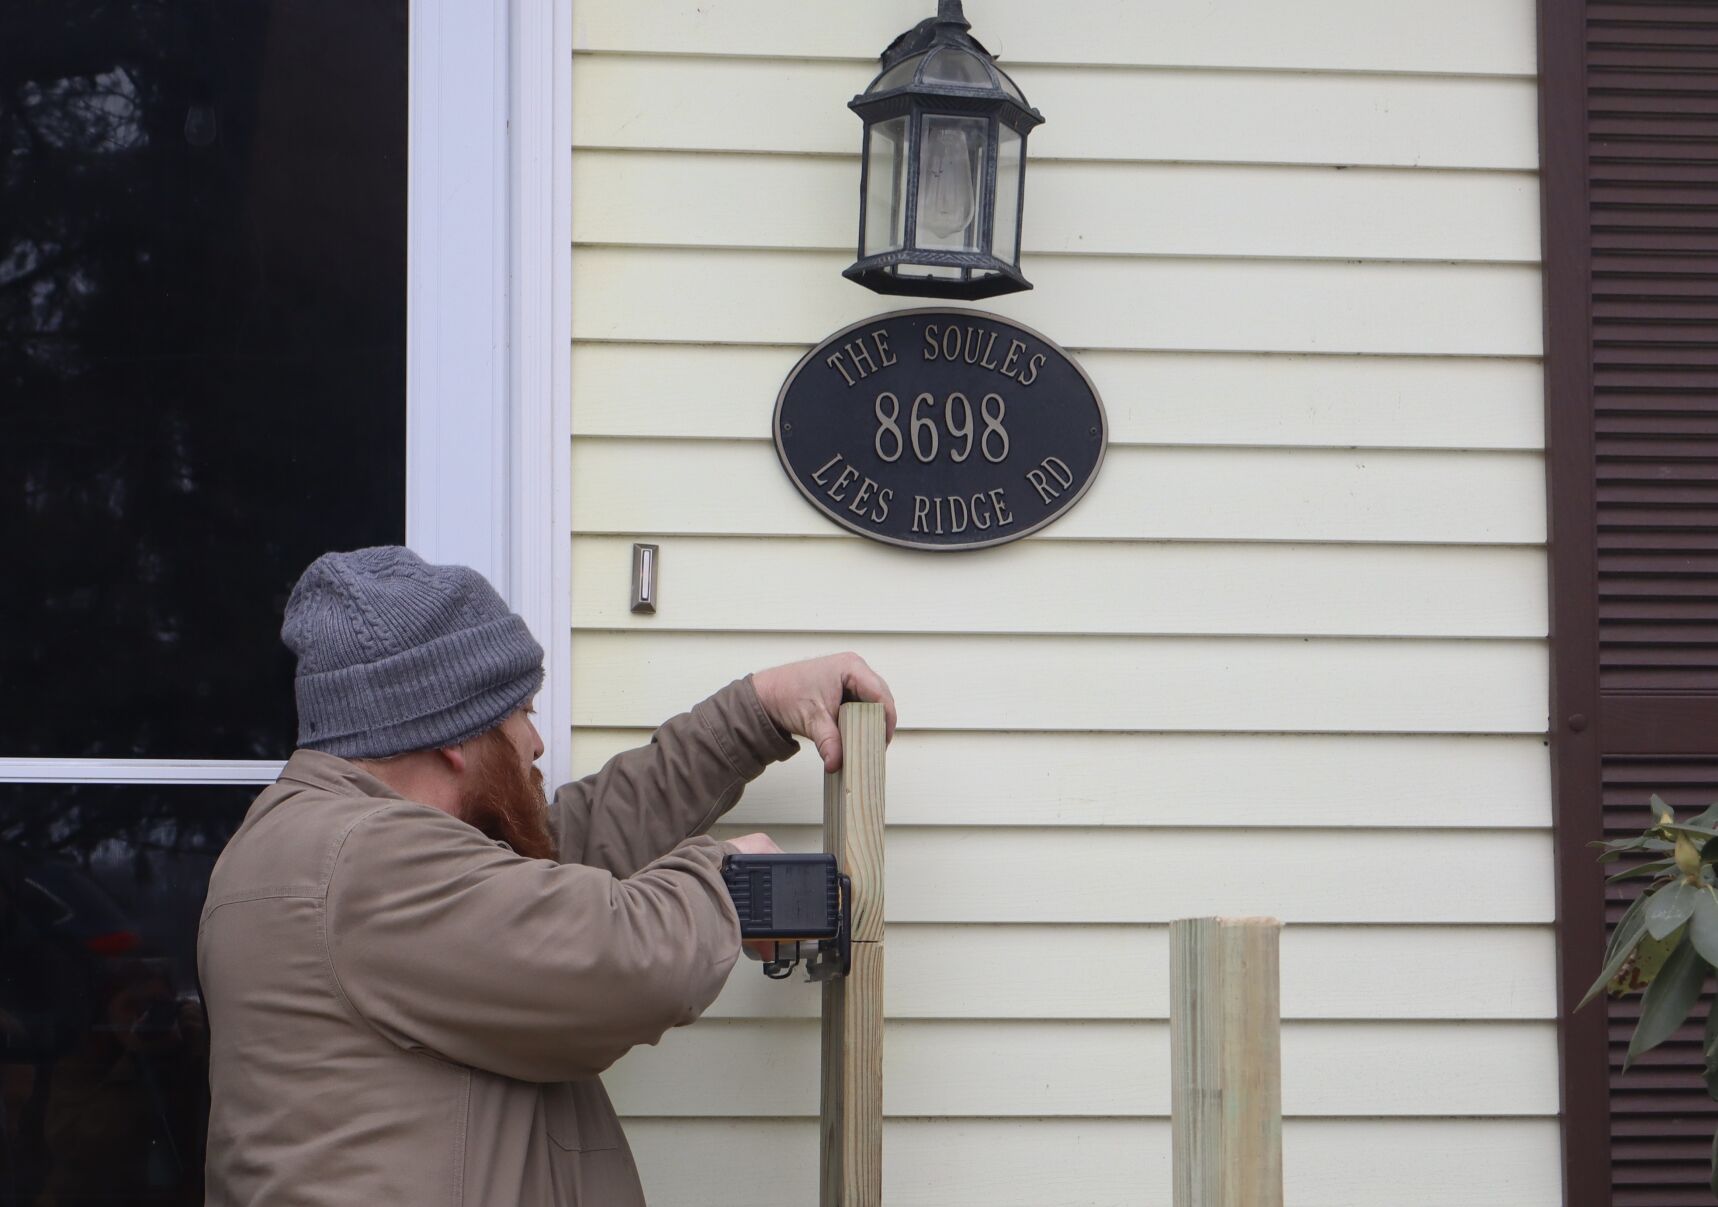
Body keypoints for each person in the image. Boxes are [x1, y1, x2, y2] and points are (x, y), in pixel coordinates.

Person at [197, 546, 895, 1206]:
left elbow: (556, 858)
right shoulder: (359, 862)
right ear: (449, 729)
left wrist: (757, 709)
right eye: (520, 714)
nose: (535, 741)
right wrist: (730, 880)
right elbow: (613, 952)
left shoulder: (330, 846)